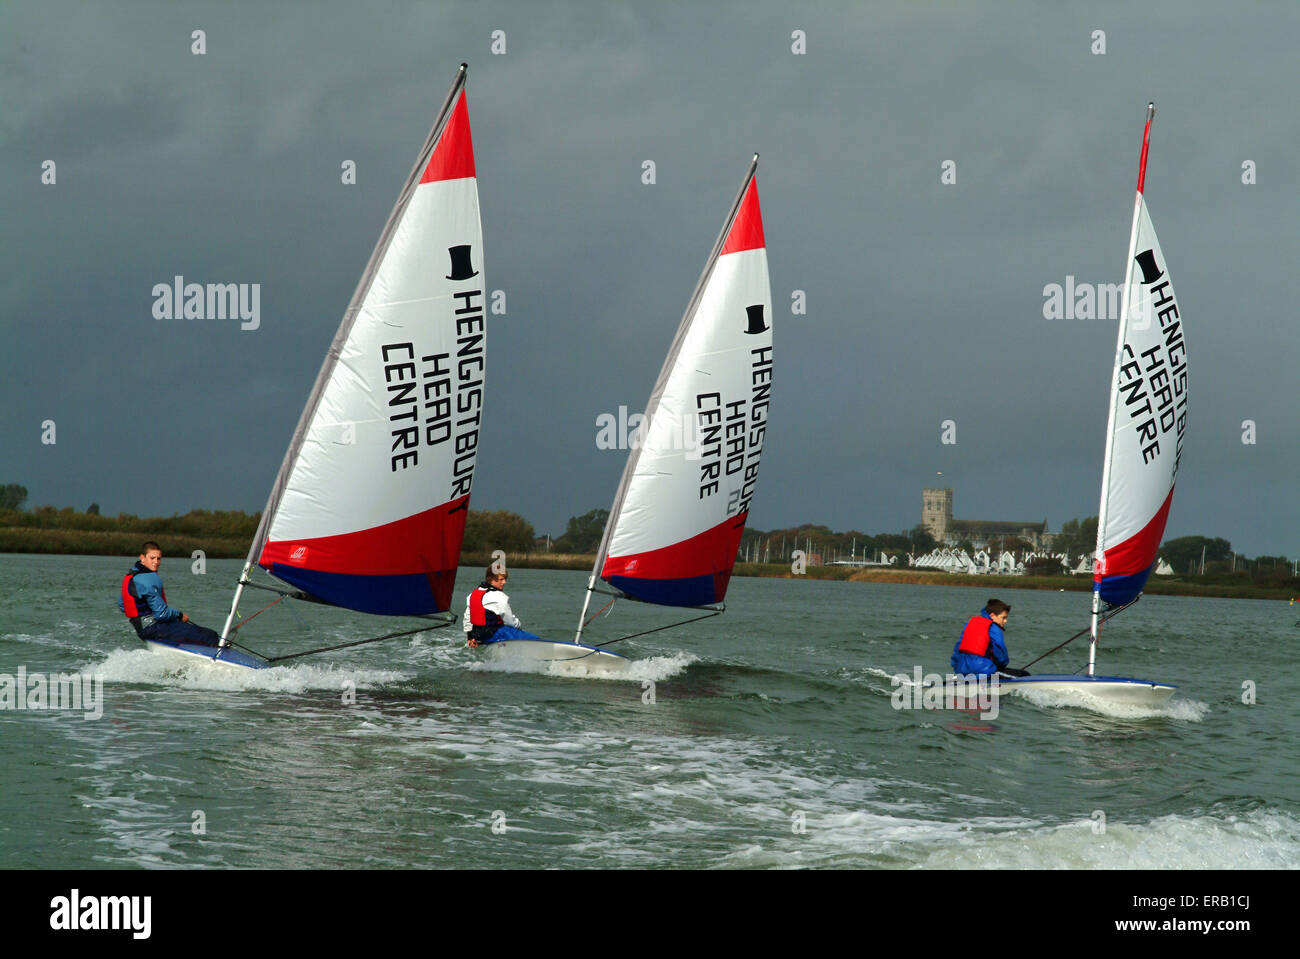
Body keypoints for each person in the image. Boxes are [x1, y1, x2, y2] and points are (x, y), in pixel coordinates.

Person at [118, 542, 223, 647]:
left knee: (185, 629)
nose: (156, 562)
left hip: (142, 629)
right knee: (210, 636)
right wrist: (180, 615)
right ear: (142, 557)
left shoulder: (131, 576)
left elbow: (122, 605)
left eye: (158, 559)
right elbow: (161, 614)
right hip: (153, 629)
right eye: (152, 558)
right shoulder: (149, 579)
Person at [951, 598, 1030, 677]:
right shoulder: (993, 627)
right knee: (1024, 674)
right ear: (992, 616)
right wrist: (1002, 666)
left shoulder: (970, 624)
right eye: (1003, 617)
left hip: (962, 671)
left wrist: (958, 669)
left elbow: (957, 651)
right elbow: (1000, 653)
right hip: (984, 671)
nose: (1005, 621)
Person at [463, 567, 538, 647]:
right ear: (492, 579)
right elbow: (510, 622)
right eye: (501, 579)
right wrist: (519, 627)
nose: (504, 582)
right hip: (495, 634)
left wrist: (470, 637)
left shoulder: (473, 594)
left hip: (478, 636)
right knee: (535, 639)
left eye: (505, 579)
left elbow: (467, 617)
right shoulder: (498, 596)